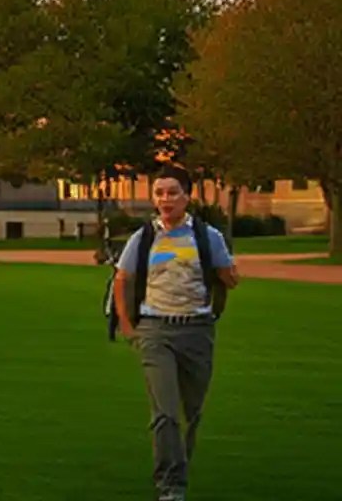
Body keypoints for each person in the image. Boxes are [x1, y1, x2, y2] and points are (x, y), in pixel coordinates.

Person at [112, 166, 239, 501]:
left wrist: (227, 274)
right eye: (159, 193)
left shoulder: (206, 236)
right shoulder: (144, 237)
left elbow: (228, 276)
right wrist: (127, 325)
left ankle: (177, 465)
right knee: (166, 413)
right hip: (155, 330)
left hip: (197, 330)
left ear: (187, 196)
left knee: (191, 413)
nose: (164, 199)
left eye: (172, 192)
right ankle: (171, 485)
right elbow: (122, 279)